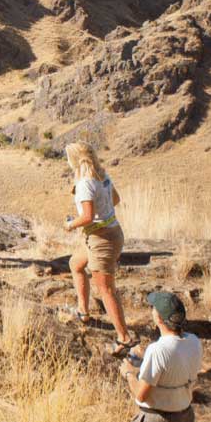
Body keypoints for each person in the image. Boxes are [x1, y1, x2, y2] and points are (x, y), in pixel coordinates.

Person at [119, 292, 201, 422]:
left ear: (158, 318)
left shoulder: (158, 350)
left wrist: (129, 373)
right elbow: (172, 372)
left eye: (153, 308)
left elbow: (141, 394)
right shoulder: (194, 341)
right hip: (184, 418)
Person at [62, 142, 134, 354]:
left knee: (106, 290)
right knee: (75, 264)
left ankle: (124, 338)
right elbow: (117, 199)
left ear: (74, 160)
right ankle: (83, 312)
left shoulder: (85, 183)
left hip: (101, 241)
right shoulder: (103, 176)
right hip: (108, 233)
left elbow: (86, 217)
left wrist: (69, 225)